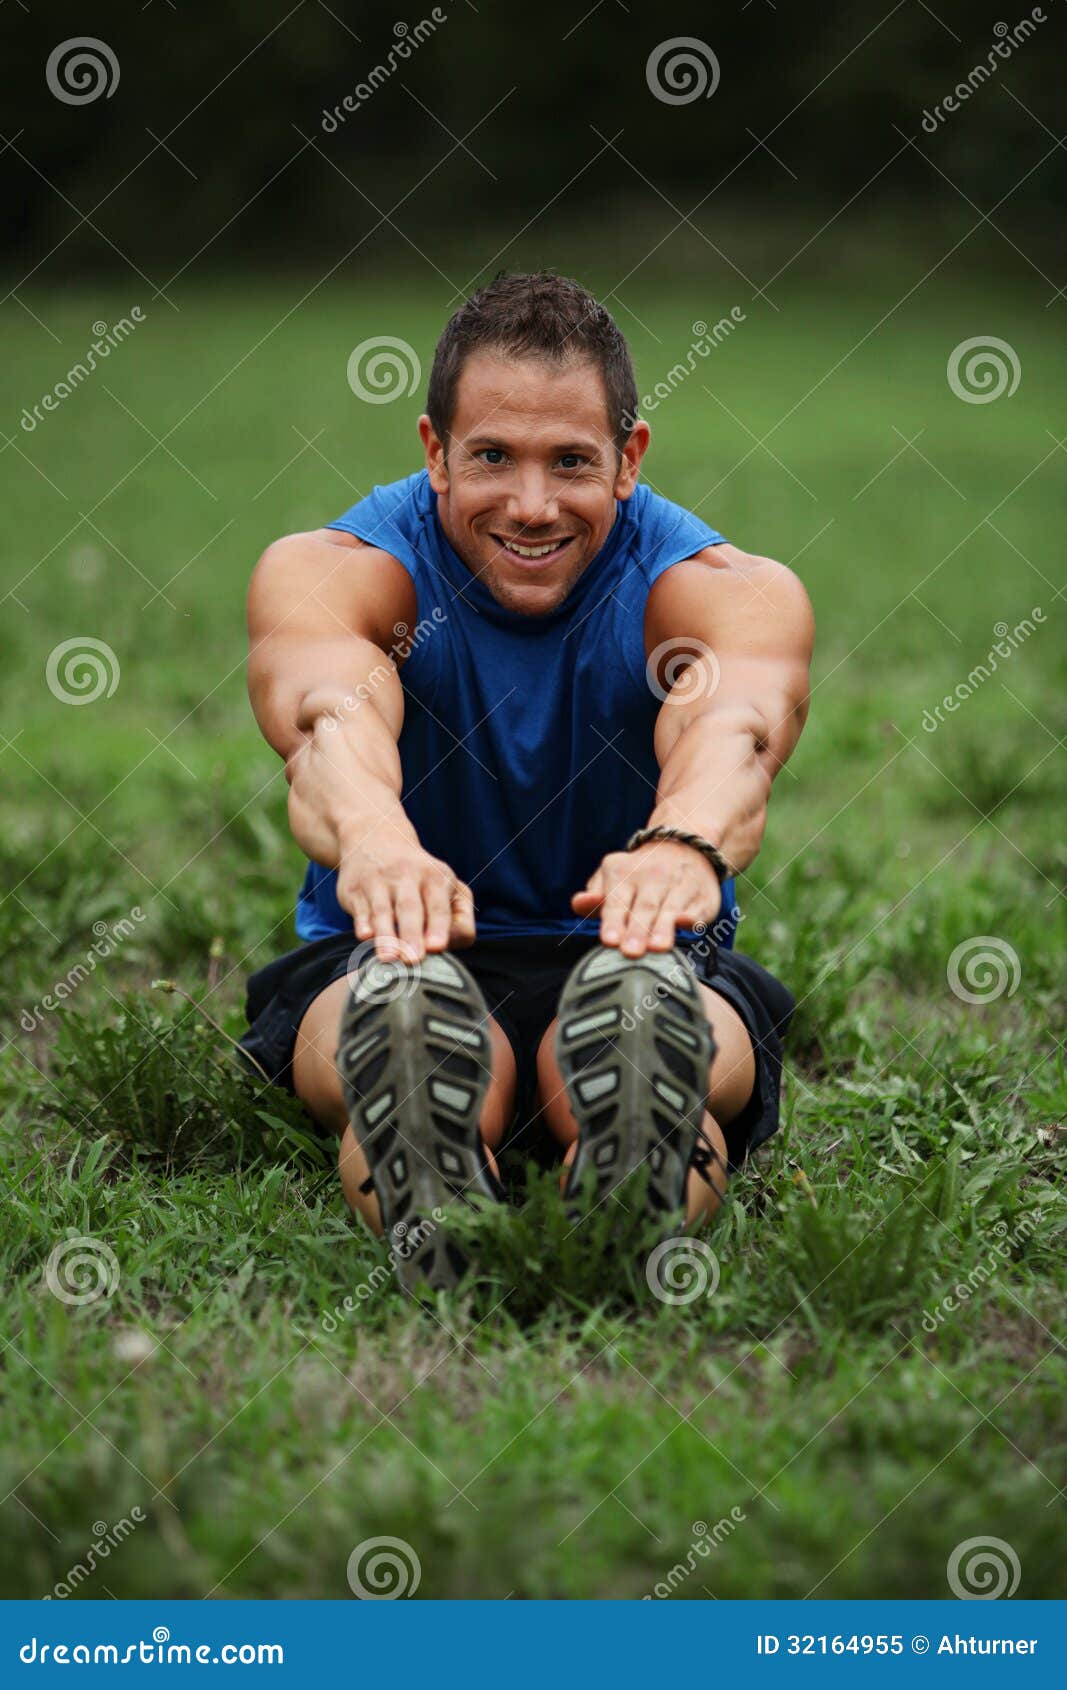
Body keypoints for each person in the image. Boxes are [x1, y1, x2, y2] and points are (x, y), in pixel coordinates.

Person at [240, 272, 813, 1291]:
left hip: (636, 951)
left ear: (628, 459)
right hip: (400, 945)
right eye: (493, 457)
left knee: (652, 1018)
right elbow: (327, 713)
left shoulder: (724, 588)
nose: (533, 505)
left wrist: (681, 840)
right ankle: (453, 1165)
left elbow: (737, 724)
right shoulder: (336, 568)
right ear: (432, 451)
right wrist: (374, 834)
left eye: (571, 462)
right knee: (398, 1015)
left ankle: (614, 1181)